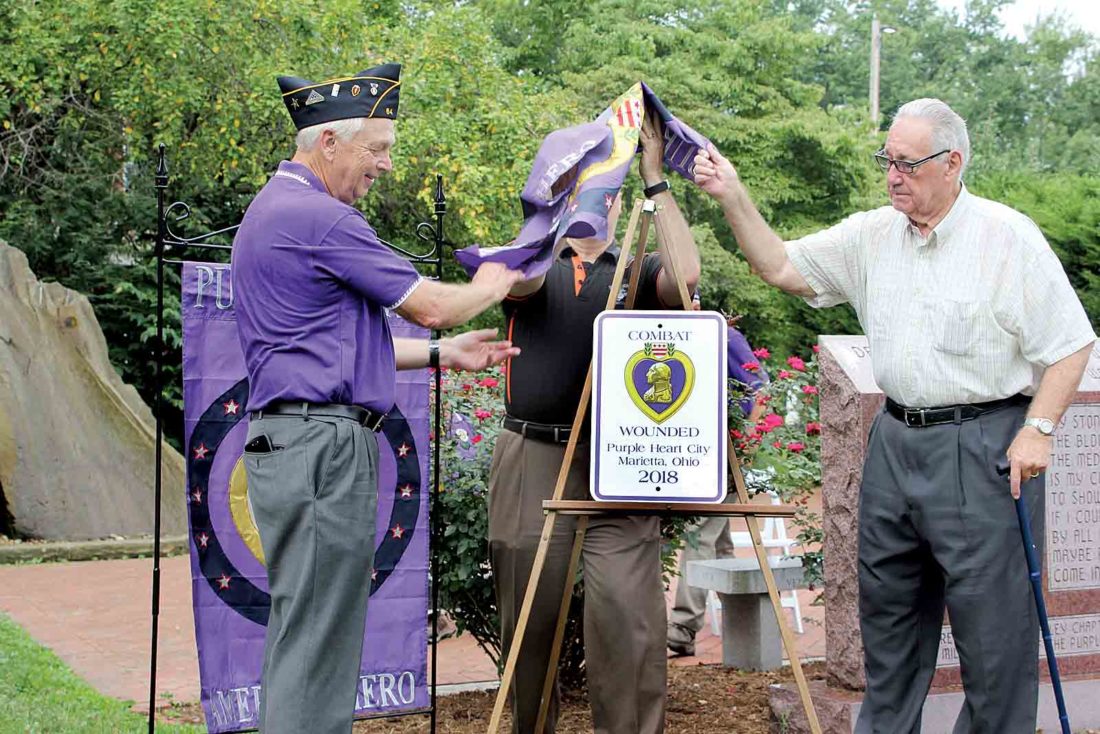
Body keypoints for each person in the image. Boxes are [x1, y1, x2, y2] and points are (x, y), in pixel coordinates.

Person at [693, 97, 1095, 733]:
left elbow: (1072, 343)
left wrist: (1038, 429)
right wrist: (732, 193)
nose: (892, 174)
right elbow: (779, 266)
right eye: (888, 160)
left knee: (993, 640)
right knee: (889, 627)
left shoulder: (1006, 236)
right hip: (894, 442)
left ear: (952, 162)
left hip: (984, 446)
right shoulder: (872, 235)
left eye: (907, 163)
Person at [231, 63, 523, 734]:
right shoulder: (318, 218)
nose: (387, 165)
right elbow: (432, 304)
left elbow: (331, 351)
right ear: (328, 142)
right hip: (319, 452)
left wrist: (447, 355)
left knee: (309, 632)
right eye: (379, 148)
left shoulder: (273, 210)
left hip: (298, 445)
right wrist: (501, 279)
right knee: (317, 643)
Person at [488, 111, 700, 733]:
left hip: (620, 463)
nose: (597, 197)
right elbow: (514, 283)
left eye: (605, 183)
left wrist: (655, 181)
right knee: (530, 621)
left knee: (627, 621)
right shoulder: (529, 264)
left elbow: (685, 279)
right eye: (585, 181)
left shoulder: (635, 272)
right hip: (532, 457)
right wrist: (554, 213)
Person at [667, 311, 768, 657]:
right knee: (719, 545)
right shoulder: (678, 338)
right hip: (694, 454)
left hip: (721, 456)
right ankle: (751, 624)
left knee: (700, 534)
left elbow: (759, 390)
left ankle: (682, 626)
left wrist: (744, 447)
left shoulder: (723, 336)